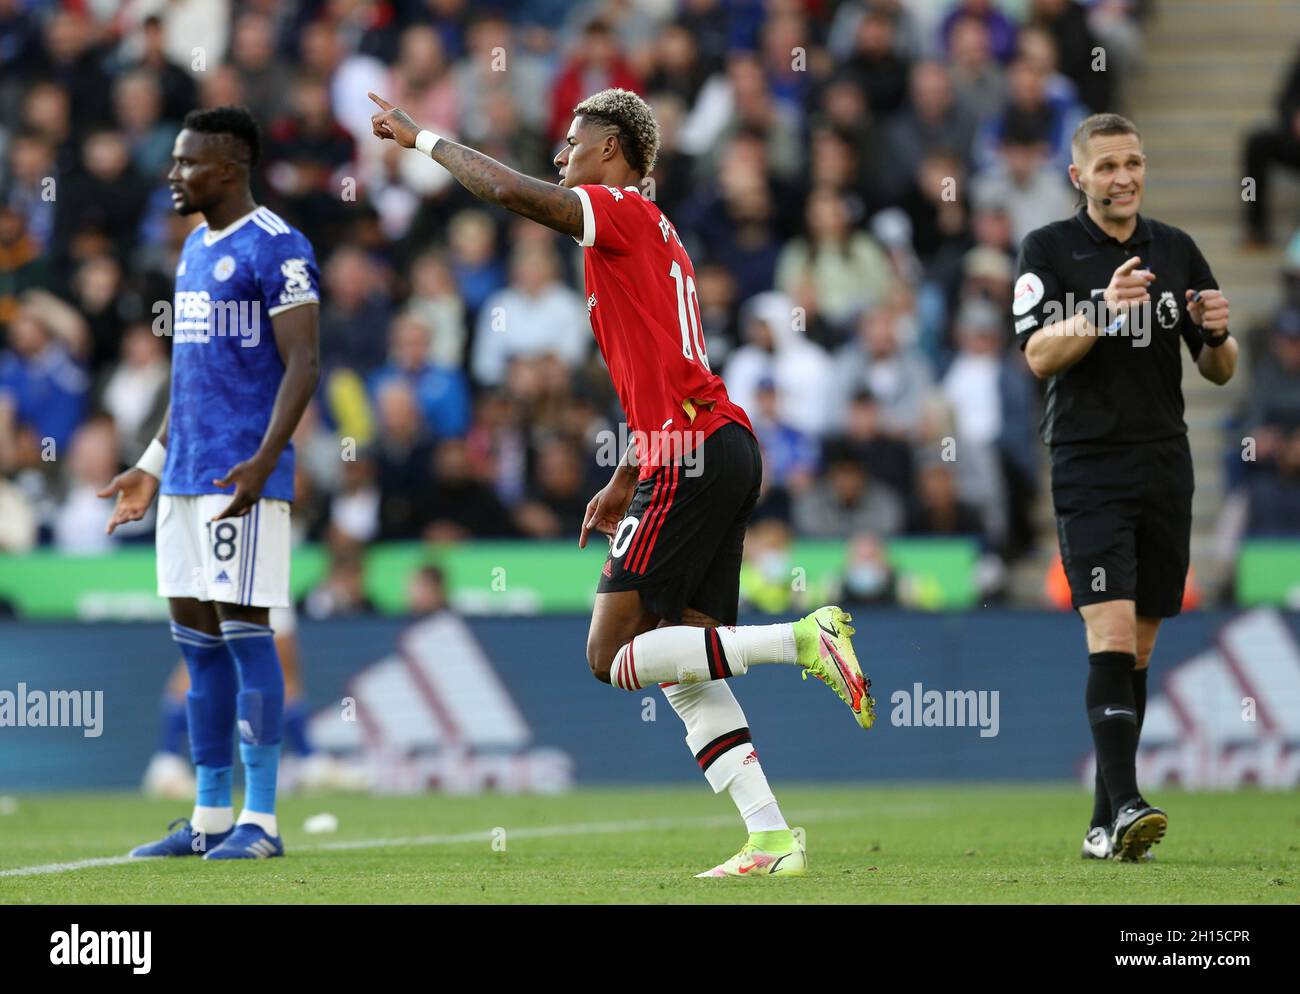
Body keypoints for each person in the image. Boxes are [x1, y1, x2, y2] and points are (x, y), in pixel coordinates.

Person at [370, 86, 874, 879]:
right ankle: (771, 838)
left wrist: (421, 138)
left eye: (572, 141)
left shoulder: (620, 211)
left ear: (610, 150)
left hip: (693, 452)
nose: (559, 156)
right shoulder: (649, 239)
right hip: (713, 445)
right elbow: (665, 373)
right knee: (681, 665)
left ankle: (801, 638)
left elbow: (509, 192)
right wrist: (623, 478)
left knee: (611, 654)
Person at [1014, 113, 1238, 862]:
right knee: (1108, 633)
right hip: (1089, 464)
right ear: (1079, 177)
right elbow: (1040, 355)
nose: (1124, 177)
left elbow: (1219, 370)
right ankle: (1130, 802)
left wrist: (1214, 333)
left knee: (1139, 647)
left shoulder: (1175, 249)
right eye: (1107, 165)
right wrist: (1103, 311)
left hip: (1165, 464)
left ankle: (1104, 821)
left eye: (1133, 162)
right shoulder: (1048, 249)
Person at [100, 105, 321, 860]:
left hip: (240, 477)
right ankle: (208, 818)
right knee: (196, 648)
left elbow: (304, 363)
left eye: (187, 161)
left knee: (247, 637)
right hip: (185, 476)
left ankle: (261, 820)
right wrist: (150, 466)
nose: (174, 173)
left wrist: (266, 458)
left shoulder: (278, 247)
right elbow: (189, 379)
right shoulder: (193, 248)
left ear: (228, 167)